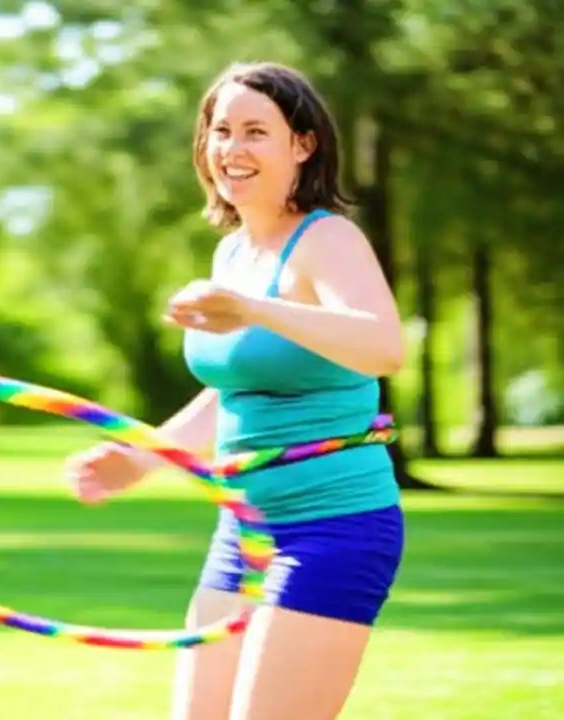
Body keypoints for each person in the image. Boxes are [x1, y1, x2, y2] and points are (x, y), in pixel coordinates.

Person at [64, 61, 407, 720]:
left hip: (334, 528)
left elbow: (383, 346)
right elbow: (231, 395)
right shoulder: (231, 256)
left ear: (302, 145)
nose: (232, 148)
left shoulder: (326, 240)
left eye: (256, 131)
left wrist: (254, 310)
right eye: (221, 130)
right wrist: (140, 459)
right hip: (244, 530)